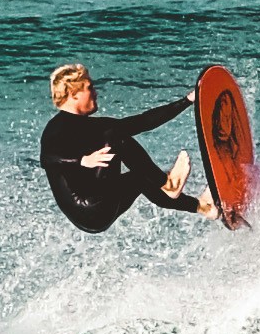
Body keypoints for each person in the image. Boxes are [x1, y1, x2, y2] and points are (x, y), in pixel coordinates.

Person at [39, 62, 206, 232]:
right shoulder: (56, 128)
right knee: (118, 138)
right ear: (74, 94)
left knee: (140, 177)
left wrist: (188, 100)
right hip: (89, 209)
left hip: (96, 213)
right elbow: (47, 157)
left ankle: (203, 207)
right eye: (90, 88)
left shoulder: (94, 126)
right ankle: (168, 184)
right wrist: (82, 160)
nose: (96, 93)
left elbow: (143, 121)